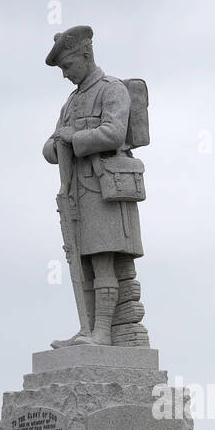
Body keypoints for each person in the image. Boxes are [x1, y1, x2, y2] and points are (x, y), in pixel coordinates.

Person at [43, 25, 149, 348]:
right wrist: (57, 143)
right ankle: (87, 329)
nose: (64, 75)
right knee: (85, 265)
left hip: (106, 191)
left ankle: (102, 332)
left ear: (86, 55)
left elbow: (115, 133)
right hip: (78, 196)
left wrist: (73, 139)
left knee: (103, 263)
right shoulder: (71, 102)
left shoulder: (111, 90)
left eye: (68, 66)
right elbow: (50, 148)